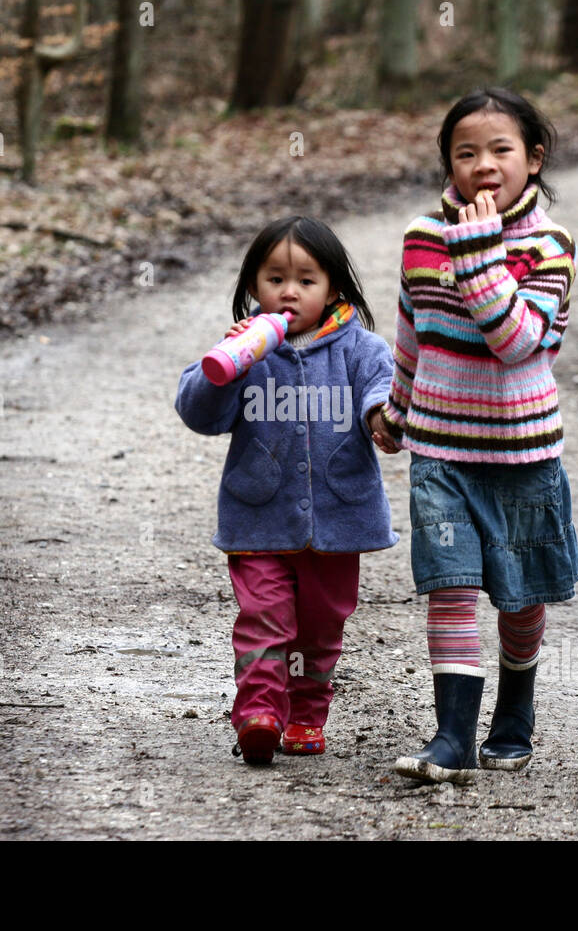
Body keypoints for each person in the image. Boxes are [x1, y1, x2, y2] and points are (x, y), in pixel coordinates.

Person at [367, 87, 578, 783]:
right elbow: (413, 334)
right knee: (451, 589)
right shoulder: (420, 238)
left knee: (519, 596)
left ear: (533, 158)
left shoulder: (551, 246)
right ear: (449, 163)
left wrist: (480, 248)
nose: (483, 164)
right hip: (440, 453)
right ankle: (452, 738)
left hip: (522, 454)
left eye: (500, 149)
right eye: (466, 153)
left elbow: (513, 340)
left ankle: (514, 712)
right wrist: (397, 409)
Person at [176, 216, 398, 765]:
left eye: (305, 280)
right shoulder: (245, 349)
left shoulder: (359, 348)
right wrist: (226, 368)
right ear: (254, 285)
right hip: (258, 520)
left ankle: (305, 711)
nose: (289, 291)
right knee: (264, 619)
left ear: (333, 287)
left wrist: (382, 418)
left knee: (320, 629)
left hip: (337, 524)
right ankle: (258, 713)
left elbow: (382, 388)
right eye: (275, 279)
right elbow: (198, 412)